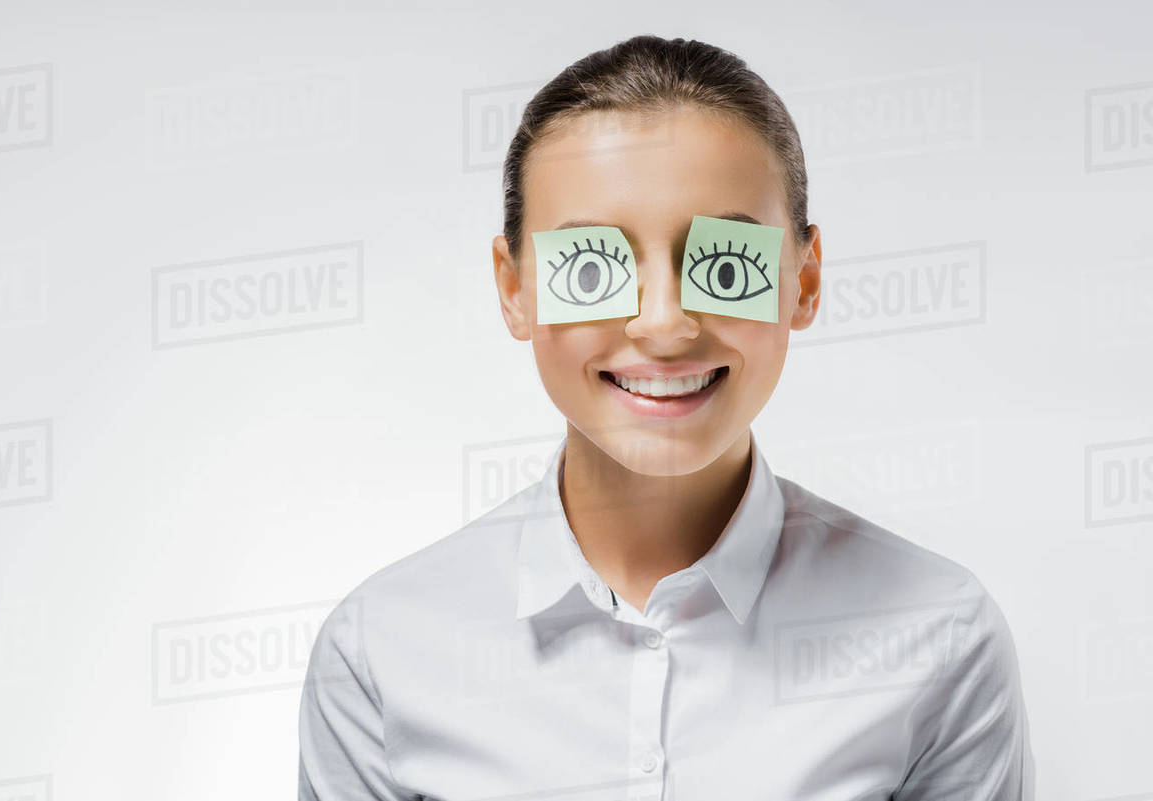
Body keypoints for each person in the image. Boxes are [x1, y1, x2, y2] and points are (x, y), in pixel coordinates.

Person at [298, 35, 1033, 800]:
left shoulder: (941, 637)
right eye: (593, 267)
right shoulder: (379, 655)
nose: (663, 323)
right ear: (515, 288)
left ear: (803, 281)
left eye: (721, 263)